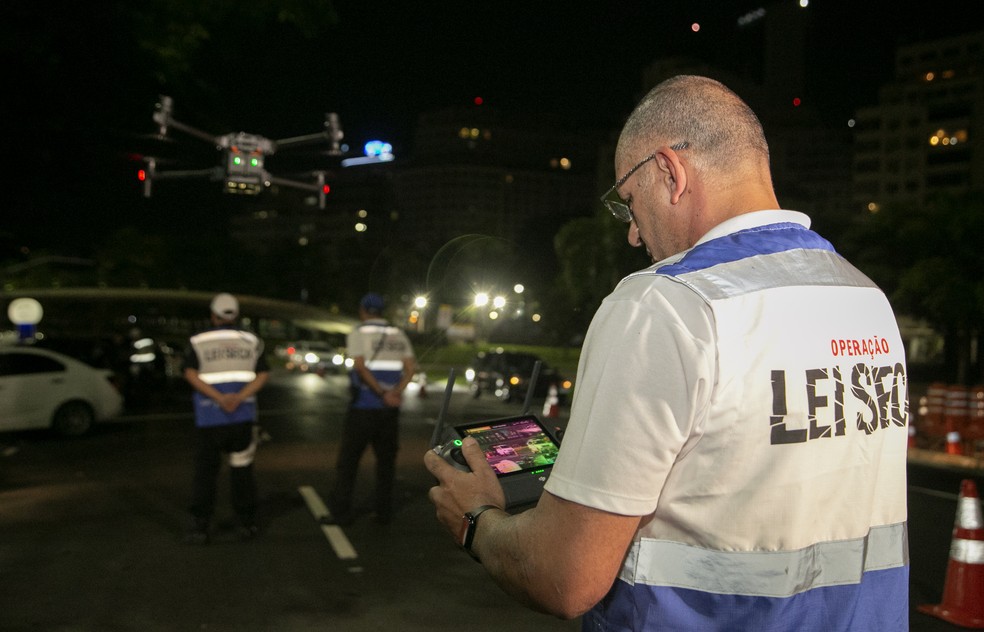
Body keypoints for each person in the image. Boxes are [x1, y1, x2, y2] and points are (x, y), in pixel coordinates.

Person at [425, 75, 909, 630]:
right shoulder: (862, 295)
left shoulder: (667, 303)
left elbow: (564, 577)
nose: (632, 234)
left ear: (669, 172)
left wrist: (476, 519)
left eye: (628, 202)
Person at [182, 292, 269, 544]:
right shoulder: (251, 341)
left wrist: (219, 398)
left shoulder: (199, 341)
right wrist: (239, 397)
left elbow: (190, 373)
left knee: (206, 474)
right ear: (236, 315)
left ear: (213, 315)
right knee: (242, 473)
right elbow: (262, 375)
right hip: (241, 417)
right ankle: (247, 523)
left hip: (210, 417)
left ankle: (200, 526)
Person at [325, 292, 416, 526]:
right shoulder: (398, 334)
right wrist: (395, 392)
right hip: (389, 413)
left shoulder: (359, 333)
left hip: (363, 408)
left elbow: (361, 368)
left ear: (363, 310)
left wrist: (381, 393)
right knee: (386, 463)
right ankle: (383, 512)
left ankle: (341, 513)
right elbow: (410, 369)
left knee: (349, 461)